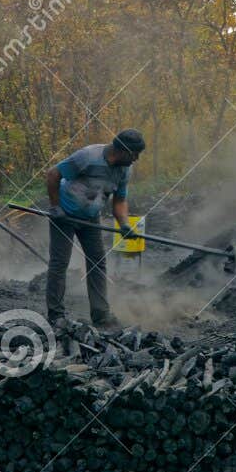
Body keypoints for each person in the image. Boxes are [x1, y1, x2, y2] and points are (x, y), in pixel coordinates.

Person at [44, 128, 145, 327]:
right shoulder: (87, 156)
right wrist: (55, 207)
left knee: (98, 263)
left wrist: (124, 223)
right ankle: (56, 315)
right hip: (64, 214)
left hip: (91, 217)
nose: (137, 159)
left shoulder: (125, 169)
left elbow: (120, 200)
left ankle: (101, 315)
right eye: (135, 154)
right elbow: (53, 174)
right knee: (59, 263)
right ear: (123, 150)